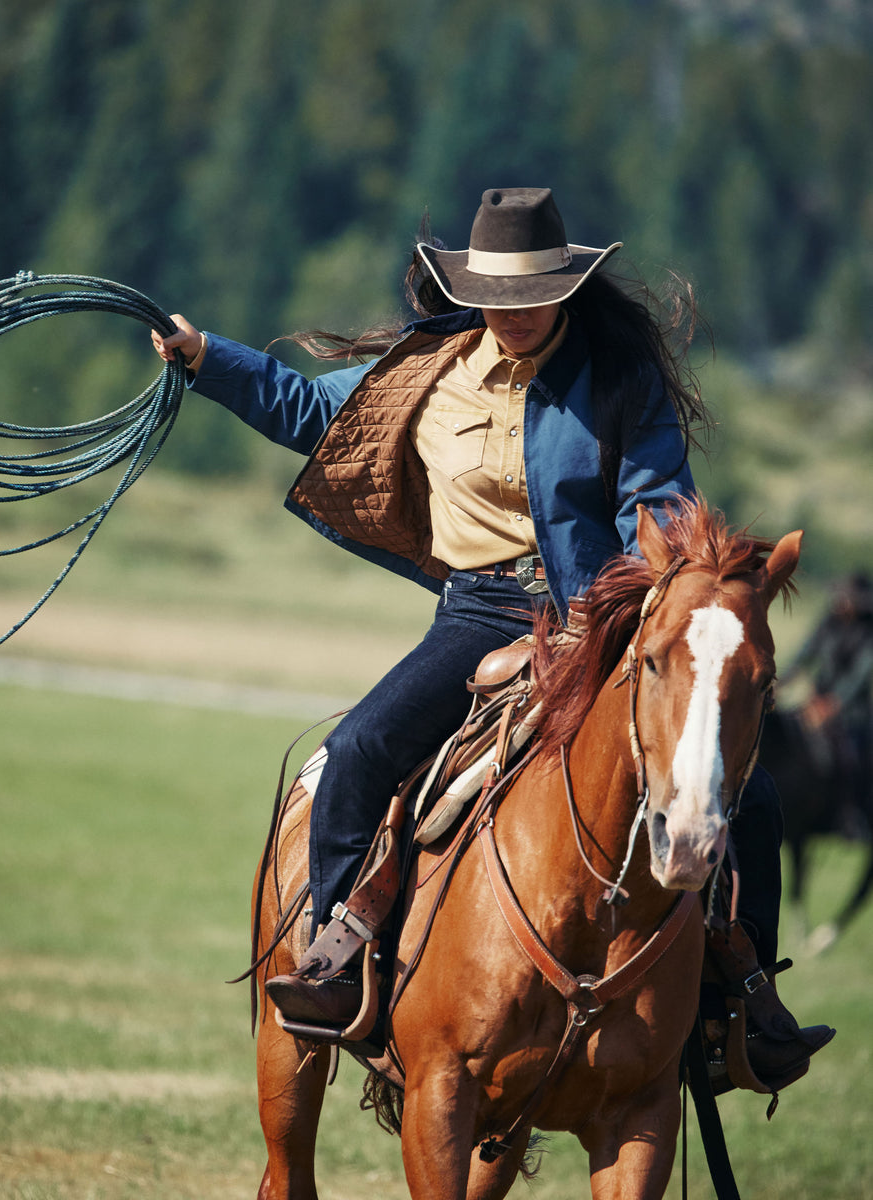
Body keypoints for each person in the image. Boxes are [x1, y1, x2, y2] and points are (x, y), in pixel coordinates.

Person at [152, 187, 832, 1079]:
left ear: (564, 289)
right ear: (471, 292)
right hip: (478, 614)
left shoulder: (617, 377)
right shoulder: (424, 371)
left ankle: (741, 1006)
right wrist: (206, 358)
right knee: (358, 749)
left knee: (757, 798)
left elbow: (659, 504)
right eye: (496, 298)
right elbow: (307, 409)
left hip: (597, 618)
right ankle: (338, 954)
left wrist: (653, 586)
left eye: (532, 296)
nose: (514, 314)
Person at [781, 571, 873, 835]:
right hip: (817, 703)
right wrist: (779, 682)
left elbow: (859, 676)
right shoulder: (828, 623)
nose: (842, 602)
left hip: (851, 713)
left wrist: (834, 703)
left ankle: (850, 812)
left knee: (851, 756)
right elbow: (804, 656)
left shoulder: (867, 631)